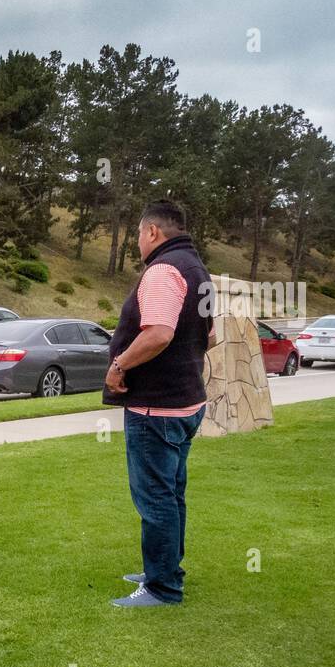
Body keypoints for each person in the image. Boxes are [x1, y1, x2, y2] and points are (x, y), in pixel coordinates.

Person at [102, 200, 215, 608]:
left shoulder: (164, 270)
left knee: (155, 497)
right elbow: (211, 336)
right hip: (186, 401)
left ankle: (162, 588)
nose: (136, 242)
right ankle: (165, 568)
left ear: (152, 232)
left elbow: (159, 334)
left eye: (137, 234)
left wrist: (119, 365)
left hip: (157, 407)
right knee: (172, 492)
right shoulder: (198, 270)